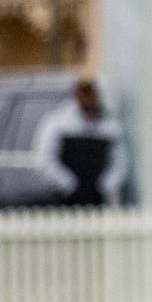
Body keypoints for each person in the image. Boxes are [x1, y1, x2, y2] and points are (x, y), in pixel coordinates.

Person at [33, 78, 125, 207]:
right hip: (65, 198)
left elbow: (120, 163)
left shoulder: (109, 125)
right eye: (83, 93)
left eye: (91, 92)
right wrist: (68, 184)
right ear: (76, 94)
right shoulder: (59, 123)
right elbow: (44, 160)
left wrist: (105, 186)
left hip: (98, 198)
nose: (87, 97)